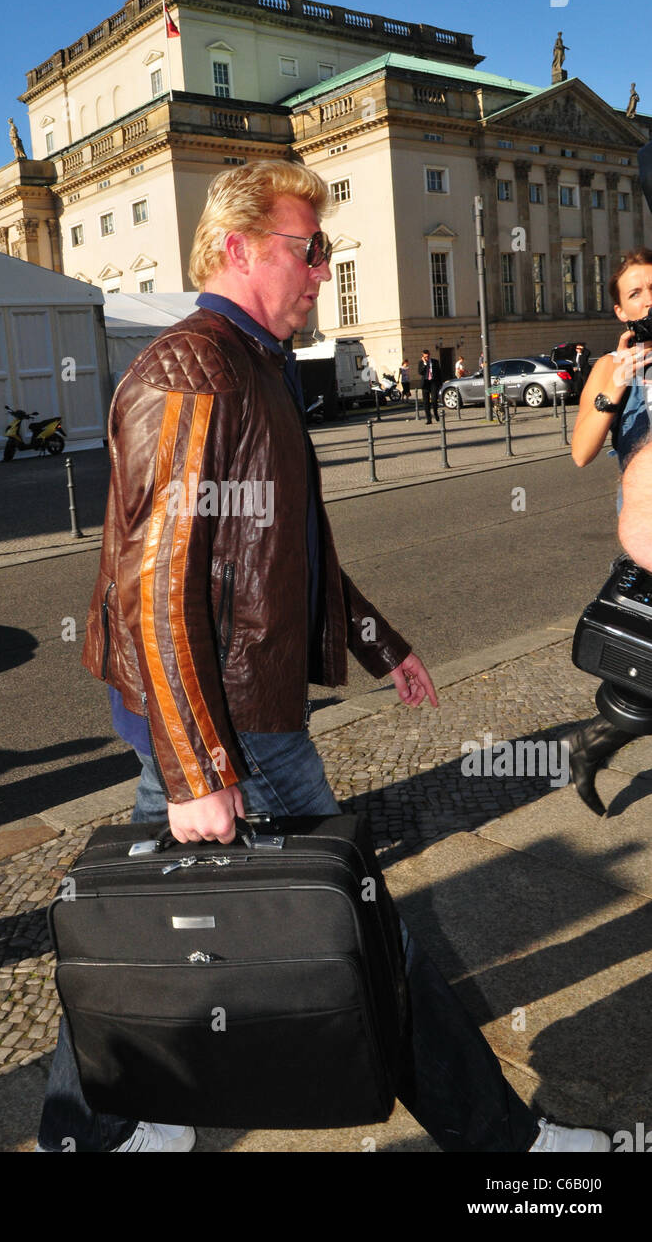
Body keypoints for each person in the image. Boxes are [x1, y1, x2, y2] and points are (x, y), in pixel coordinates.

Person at [37, 158, 607, 1154]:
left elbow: (285, 548)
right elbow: (156, 590)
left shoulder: (253, 362)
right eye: (309, 250)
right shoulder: (191, 369)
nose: (321, 268)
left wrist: (380, 644)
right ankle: (511, 1155)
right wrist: (198, 768)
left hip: (224, 719)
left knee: (148, 930)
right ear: (238, 248)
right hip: (229, 728)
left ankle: (94, 1129)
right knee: (363, 938)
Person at [565, 249, 652, 812]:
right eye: (637, 294)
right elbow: (580, 452)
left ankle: (590, 743)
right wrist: (615, 387)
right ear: (621, 312)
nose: (649, 300)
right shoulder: (609, 368)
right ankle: (590, 743)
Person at [418, 348, 443, 424]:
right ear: (423, 357)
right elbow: (421, 372)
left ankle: (436, 414)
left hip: (433, 383)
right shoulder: (421, 363)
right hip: (425, 383)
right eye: (425, 357)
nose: (427, 358)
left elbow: (439, 373)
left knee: (434, 400)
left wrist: (440, 383)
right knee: (426, 402)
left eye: (428, 356)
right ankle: (429, 419)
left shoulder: (435, 362)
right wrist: (425, 363)